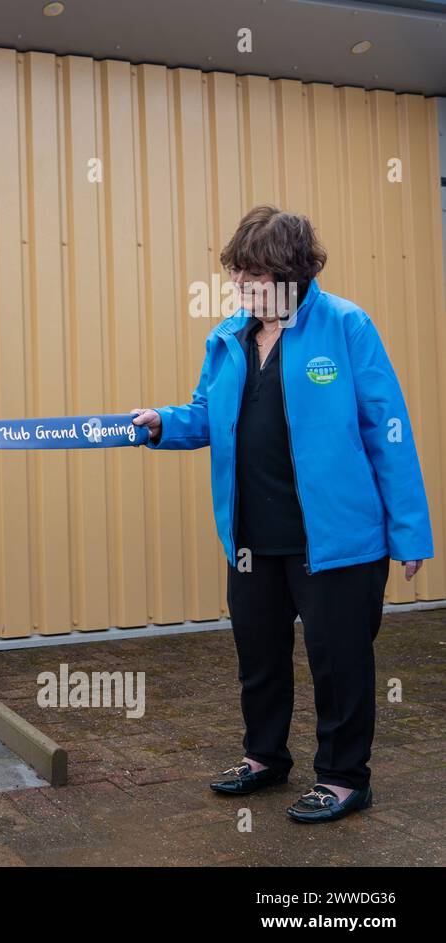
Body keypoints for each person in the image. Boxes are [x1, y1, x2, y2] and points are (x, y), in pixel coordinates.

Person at [131, 205, 433, 823]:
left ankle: (345, 776)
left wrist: (409, 533)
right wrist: (164, 423)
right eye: (237, 275)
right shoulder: (228, 338)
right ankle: (265, 757)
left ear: (294, 273)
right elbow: (206, 415)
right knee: (259, 656)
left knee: (339, 660)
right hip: (251, 535)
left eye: (254, 276)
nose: (241, 287)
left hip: (337, 538)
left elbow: (389, 432)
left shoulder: (346, 326)